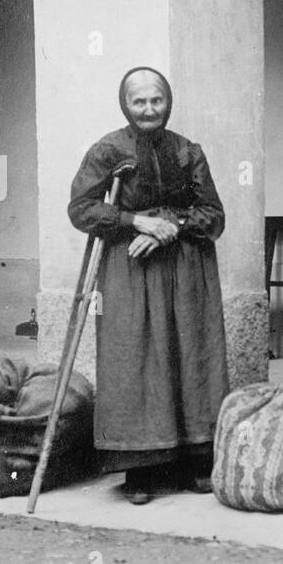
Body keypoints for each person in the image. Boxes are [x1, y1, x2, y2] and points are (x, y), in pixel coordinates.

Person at [67, 66, 230, 504]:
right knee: (135, 357)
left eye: (156, 100)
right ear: (126, 104)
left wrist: (172, 224)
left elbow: (214, 215)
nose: (149, 109)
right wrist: (134, 220)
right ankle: (140, 469)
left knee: (189, 353)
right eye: (139, 101)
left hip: (185, 267)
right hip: (131, 268)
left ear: (167, 101)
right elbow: (81, 209)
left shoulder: (187, 151)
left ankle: (196, 458)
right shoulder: (107, 150)